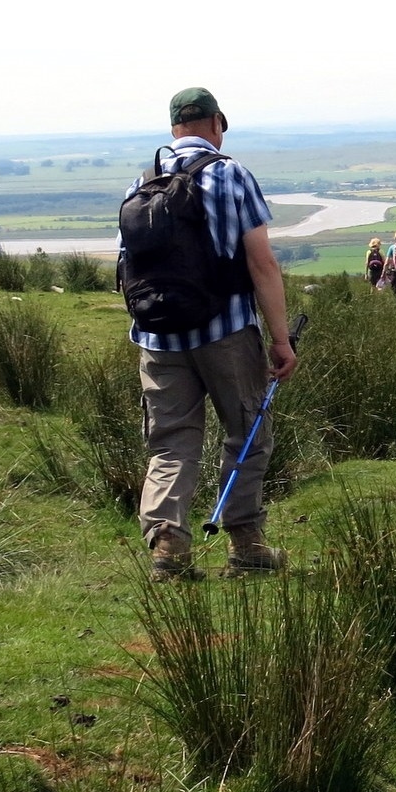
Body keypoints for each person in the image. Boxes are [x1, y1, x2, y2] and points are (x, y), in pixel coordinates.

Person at [123, 87, 297, 581]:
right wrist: (280, 340)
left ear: (174, 127)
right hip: (225, 331)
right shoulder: (231, 173)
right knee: (246, 431)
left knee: (170, 440)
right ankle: (246, 543)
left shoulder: (142, 182)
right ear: (219, 123)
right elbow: (261, 262)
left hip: (157, 337)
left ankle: (168, 547)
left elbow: (127, 264)